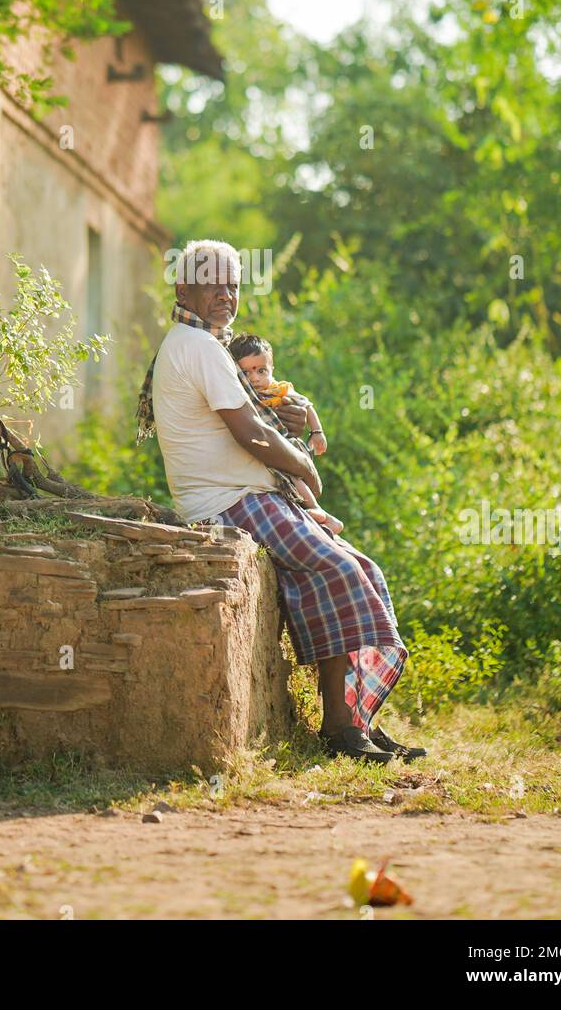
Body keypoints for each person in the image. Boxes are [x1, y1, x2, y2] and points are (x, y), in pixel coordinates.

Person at [136, 238, 426, 764]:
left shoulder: (205, 345)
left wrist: (294, 431)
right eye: (211, 283)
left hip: (250, 496)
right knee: (341, 570)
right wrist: (304, 463)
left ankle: (358, 720)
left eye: (233, 284)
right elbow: (251, 434)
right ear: (184, 288)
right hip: (228, 503)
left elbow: (257, 422)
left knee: (365, 569)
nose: (225, 294)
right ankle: (339, 730)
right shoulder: (198, 346)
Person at [227, 331, 344, 535]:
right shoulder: (242, 393)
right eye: (247, 373)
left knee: (293, 478)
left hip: (286, 445)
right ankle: (319, 519)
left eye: (261, 371)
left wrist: (317, 431)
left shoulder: (278, 389)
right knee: (284, 485)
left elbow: (306, 405)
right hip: (268, 446)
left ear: (272, 369)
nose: (255, 378)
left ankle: (317, 509)